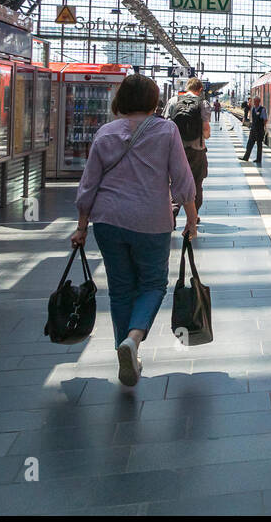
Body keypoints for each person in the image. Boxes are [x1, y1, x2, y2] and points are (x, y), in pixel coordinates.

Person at [72, 74, 197, 387]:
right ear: (153, 100)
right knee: (153, 283)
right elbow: (182, 180)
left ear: (121, 100)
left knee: (120, 288)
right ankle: (133, 340)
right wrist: (191, 220)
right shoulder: (166, 130)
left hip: (108, 221)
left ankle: (122, 349)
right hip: (151, 220)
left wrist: (81, 226)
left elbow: (88, 185)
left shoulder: (105, 133)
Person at [165, 77, 211, 226]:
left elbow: (165, 125)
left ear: (186, 87)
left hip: (176, 150)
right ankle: (194, 216)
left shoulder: (173, 101)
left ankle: (172, 212)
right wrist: (205, 136)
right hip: (197, 150)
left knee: (175, 181)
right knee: (197, 182)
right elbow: (206, 130)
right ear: (200, 90)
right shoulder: (203, 103)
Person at [242, 94, 266, 164]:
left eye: (255, 101)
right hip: (253, 129)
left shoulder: (262, 109)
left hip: (259, 130)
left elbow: (265, 119)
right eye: (254, 101)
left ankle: (258, 159)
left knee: (259, 145)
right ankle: (246, 157)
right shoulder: (253, 109)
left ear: (258, 102)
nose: (254, 103)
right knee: (249, 143)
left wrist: (263, 127)